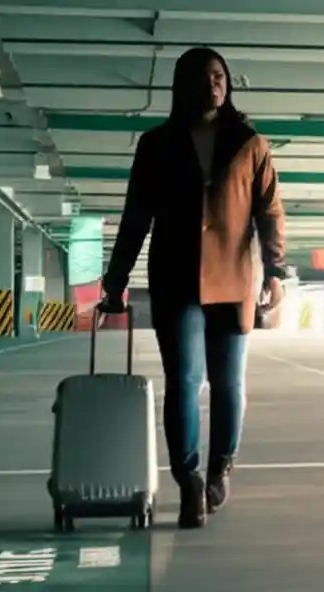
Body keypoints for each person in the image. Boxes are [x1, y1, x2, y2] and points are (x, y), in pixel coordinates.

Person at [98, 46, 287, 530]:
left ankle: (222, 464)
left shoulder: (250, 144)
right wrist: (116, 280)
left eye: (220, 75)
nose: (214, 84)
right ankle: (189, 481)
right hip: (176, 280)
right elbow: (136, 216)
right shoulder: (156, 144)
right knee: (183, 382)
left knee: (228, 384)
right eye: (203, 77)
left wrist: (276, 273)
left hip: (235, 280)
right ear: (182, 85)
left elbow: (269, 212)